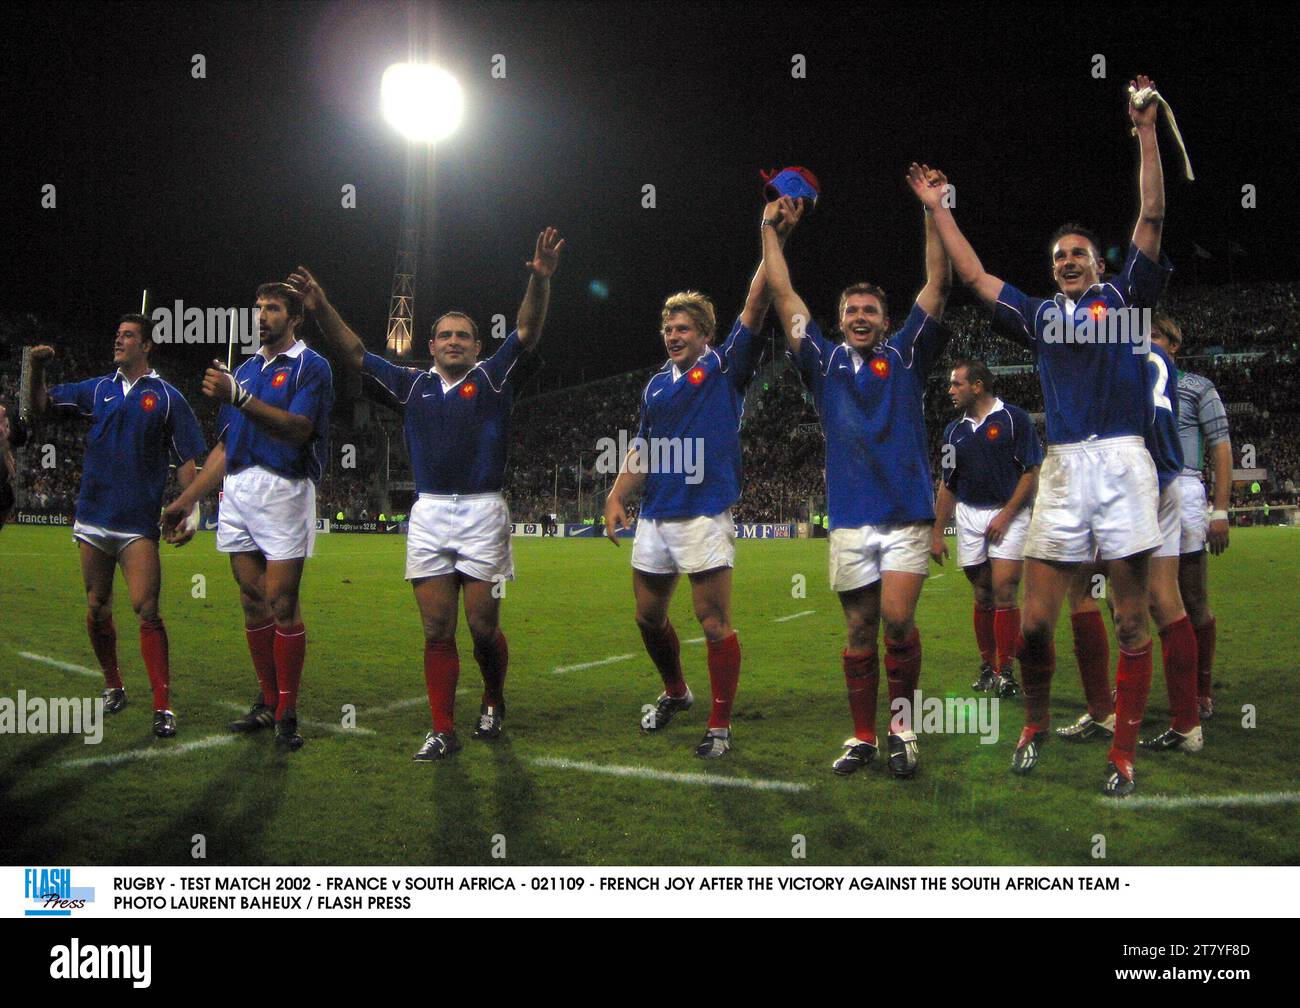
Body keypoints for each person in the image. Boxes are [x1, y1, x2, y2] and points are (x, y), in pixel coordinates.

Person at [920, 75, 1173, 795]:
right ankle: (1033, 721)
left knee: (1131, 619)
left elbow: (1151, 214)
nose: (1066, 261)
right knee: (1032, 626)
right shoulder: (1038, 316)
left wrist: (1146, 129)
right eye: (1058, 255)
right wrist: (941, 209)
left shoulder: (1127, 299)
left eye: (1078, 254)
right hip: (1062, 469)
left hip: (1124, 463)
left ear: (1100, 264)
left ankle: (1121, 753)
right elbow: (971, 276)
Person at [288, 227, 562, 760]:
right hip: (430, 511)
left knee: (483, 628)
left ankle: (493, 697)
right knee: (437, 630)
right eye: (445, 335)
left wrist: (541, 279)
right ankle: (442, 729)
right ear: (431, 345)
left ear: (478, 346)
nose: (455, 341)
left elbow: (527, 330)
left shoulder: (494, 378)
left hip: (484, 510)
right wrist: (321, 308)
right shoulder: (411, 385)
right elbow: (355, 355)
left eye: (464, 335)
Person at [765, 169, 951, 779]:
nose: (861, 316)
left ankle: (904, 730)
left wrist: (931, 210)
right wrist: (772, 234)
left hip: (904, 516)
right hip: (848, 518)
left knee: (897, 621)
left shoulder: (906, 354)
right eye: (851, 310)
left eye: (870, 309)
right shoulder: (820, 362)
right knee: (858, 628)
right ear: (841, 319)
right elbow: (785, 297)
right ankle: (865, 735)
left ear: (885, 318)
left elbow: (937, 282)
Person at [604, 202, 801, 759]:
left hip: (702, 512)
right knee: (648, 617)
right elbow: (642, 448)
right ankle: (677, 691)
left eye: (682, 327)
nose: (672, 334)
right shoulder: (654, 387)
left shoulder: (725, 366)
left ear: (706, 333)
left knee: (713, 622)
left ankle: (719, 724)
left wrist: (772, 233)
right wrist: (619, 494)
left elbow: (757, 299)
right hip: (656, 516)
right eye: (667, 327)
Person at [163, 283, 334, 751]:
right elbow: (223, 446)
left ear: (294, 317)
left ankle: (288, 711)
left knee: (281, 601)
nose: (262, 315)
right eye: (257, 308)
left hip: (284, 489)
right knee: (251, 600)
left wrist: (238, 395)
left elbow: (300, 429)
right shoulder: (246, 368)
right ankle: (267, 701)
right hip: (237, 489)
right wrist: (188, 500)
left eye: (273, 308)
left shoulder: (311, 366)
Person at [29, 314, 206, 737]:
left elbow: (187, 459)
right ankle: (114, 685)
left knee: (146, 607)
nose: (119, 341)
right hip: (92, 516)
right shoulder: (98, 389)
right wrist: (36, 369)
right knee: (96, 606)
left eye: (128, 336)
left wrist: (193, 510)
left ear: (147, 346)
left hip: (136, 524)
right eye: (117, 335)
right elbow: (41, 406)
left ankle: (163, 707)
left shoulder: (167, 397)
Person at [932, 359, 1042, 699]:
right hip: (968, 515)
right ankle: (986, 666)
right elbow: (948, 483)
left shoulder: (1015, 419)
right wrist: (936, 532)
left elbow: (1031, 472)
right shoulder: (953, 432)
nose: (950, 390)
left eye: (956, 384)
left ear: (977, 386)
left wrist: (1007, 515)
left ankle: (1005, 670)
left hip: (1008, 513)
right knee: (982, 593)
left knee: (1005, 589)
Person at [1162, 312, 1232, 718]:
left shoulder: (1197, 387)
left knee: (1193, 596)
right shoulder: (1129, 386)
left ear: (1174, 344)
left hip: (1185, 488)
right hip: (1140, 491)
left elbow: (1221, 446)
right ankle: (1128, 685)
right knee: (1123, 600)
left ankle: (1200, 690)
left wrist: (1219, 510)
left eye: (1156, 336)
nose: (1147, 342)